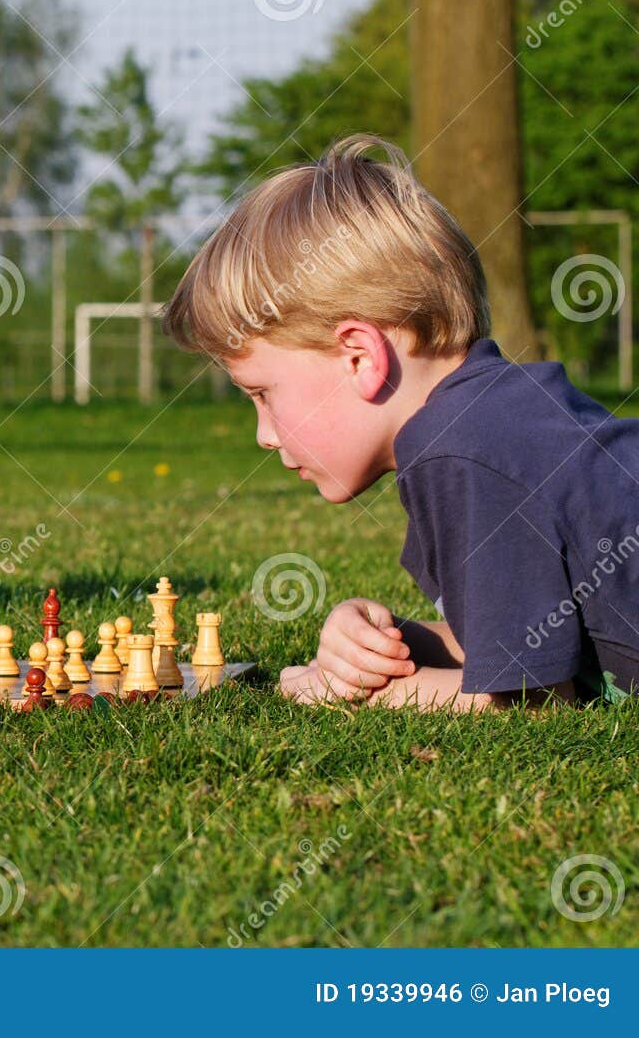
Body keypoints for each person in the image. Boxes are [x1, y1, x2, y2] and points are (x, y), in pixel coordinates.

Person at [164, 134, 637, 709]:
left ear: (360, 357)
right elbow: (524, 646)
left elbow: (530, 700)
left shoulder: (464, 453)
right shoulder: (494, 418)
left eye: (264, 394)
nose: (264, 433)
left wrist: (349, 692)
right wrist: (389, 644)